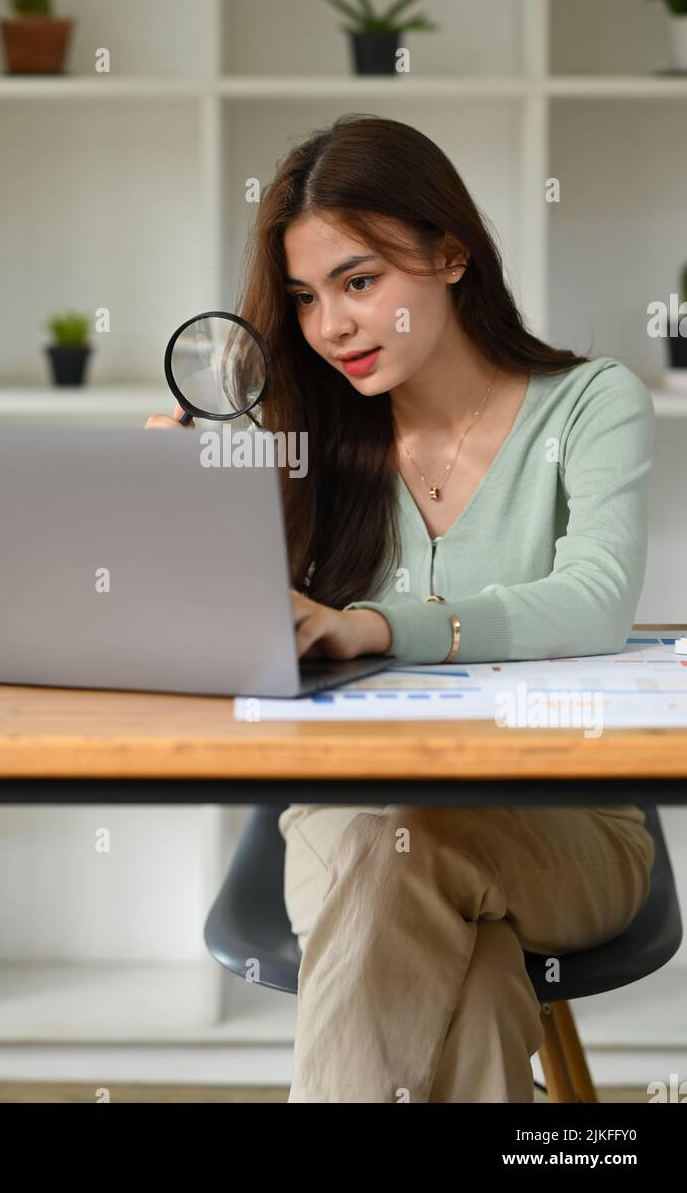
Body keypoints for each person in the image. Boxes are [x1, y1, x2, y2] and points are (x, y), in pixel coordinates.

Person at [146, 112, 657, 1103]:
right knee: (460, 960)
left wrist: (379, 626)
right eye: (303, 297)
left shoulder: (591, 403)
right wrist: (175, 509)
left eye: (358, 281)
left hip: (562, 826)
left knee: (407, 857)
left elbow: (592, 600)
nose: (329, 325)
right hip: (341, 817)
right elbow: (211, 637)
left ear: (450, 253)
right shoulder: (299, 439)